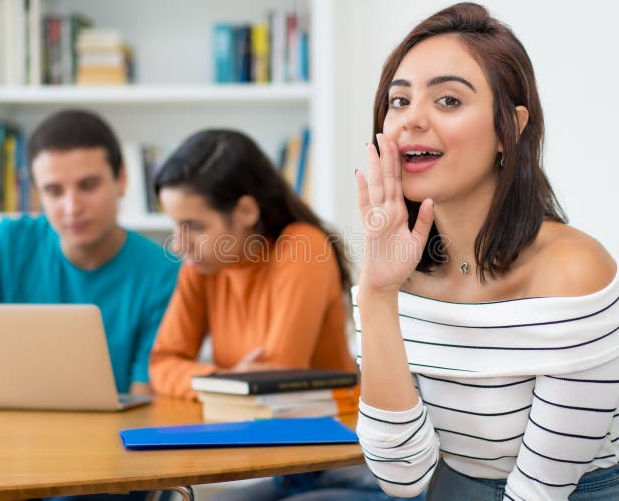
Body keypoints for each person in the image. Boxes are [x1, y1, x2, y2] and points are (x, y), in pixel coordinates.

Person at [352, 3, 619, 500]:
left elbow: (541, 492)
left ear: (510, 126)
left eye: (447, 101)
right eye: (398, 101)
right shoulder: (393, 268)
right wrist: (377, 292)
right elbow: (403, 478)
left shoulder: (576, 274)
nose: (411, 120)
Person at [149, 129, 419, 501]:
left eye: (194, 227)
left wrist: (218, 381)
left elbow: (277, 374)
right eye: (175, 227)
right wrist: (224, 379)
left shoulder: (302, 247)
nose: (179, 245)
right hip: (274, 459)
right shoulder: (202, 264)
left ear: (245, 211)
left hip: (338, 465)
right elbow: (162, 363)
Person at [0, 109, 179, 397]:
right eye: (54, 191)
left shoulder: (164, 274)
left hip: (107, 438)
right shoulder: (6, 244)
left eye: (88, 186)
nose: (72, 207)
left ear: (122, 179)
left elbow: (144, 403)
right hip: (3, 433)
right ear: (38, 193)